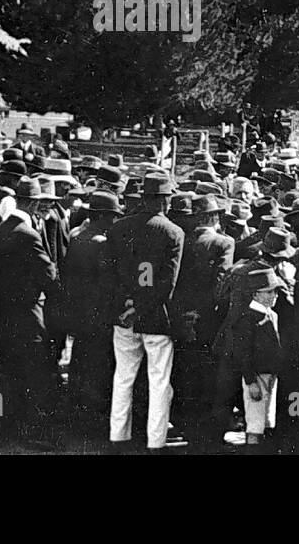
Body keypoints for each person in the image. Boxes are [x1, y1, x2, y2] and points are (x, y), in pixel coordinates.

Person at [106, 174, 184, 452]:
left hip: (122, 316)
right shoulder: (172, 232)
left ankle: (118, 436)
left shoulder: (118, 228)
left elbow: (111, 275)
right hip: (154, 319)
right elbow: (166, 284)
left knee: (123, 377)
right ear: (164, 200)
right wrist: (140, 307)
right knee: (159, 382)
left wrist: (127, 306)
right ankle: (156, 442)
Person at [0, 177, 62, 444]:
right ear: (32, 204)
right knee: (33, 373)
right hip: (28, 314)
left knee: (4, 372)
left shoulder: (2, 229)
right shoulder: (28, 235)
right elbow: (48, 274)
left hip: (3, 313)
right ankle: (31, 431)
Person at [169, 193, 234, 444]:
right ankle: (205, 432)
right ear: (214, 217)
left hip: (180, 315)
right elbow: (221, 284)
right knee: (209, 374)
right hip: (209, 319)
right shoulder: (223, 243)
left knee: (184, 371)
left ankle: (185, 424)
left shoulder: (180, 239)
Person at [61, 191, 121, 424]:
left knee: (81, 358)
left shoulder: (78, 237)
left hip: (79, 310)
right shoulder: (101, 244)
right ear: (105, 217)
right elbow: (108, 281)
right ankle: (92, 415)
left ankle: (76, 408)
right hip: (98, 312)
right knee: (98, 364)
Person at [229, 268, 285, 451]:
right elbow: (243, 353)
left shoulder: (272, 315)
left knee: (267, 421)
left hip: (271, 376)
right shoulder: (247, 319)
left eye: (275, 291)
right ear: (255, 294)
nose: (274, 295)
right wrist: (250, 381)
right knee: (255, 424)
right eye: (269, 291)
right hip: (257, 377)